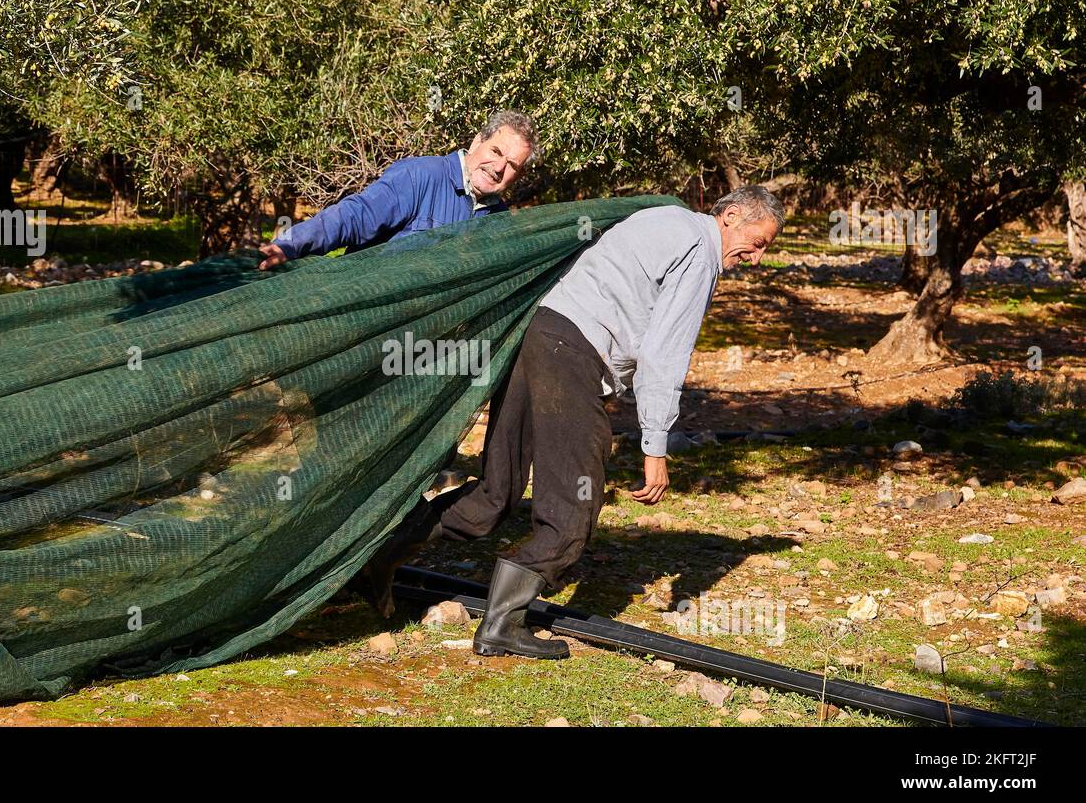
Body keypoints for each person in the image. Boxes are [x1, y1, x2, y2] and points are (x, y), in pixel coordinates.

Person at [368, 186, 786, 659]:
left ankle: (378, 556)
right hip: (575, 356)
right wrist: (655, 449)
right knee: (573, 509)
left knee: (495, 492)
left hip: (541, 334)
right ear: (730, 216)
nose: (757, 257)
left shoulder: (664, 219)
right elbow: (663, 356)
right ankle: (502, 625)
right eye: (760, 241)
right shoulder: (700, 253)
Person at [257, 111, 537, 270]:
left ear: (519, 174)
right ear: (478, 142)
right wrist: (291, 244)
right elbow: (356, 216)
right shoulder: (421, 176)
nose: (498, 167)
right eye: (496, 151)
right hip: (365, 316)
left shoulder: (498, 220)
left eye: (511, 164)